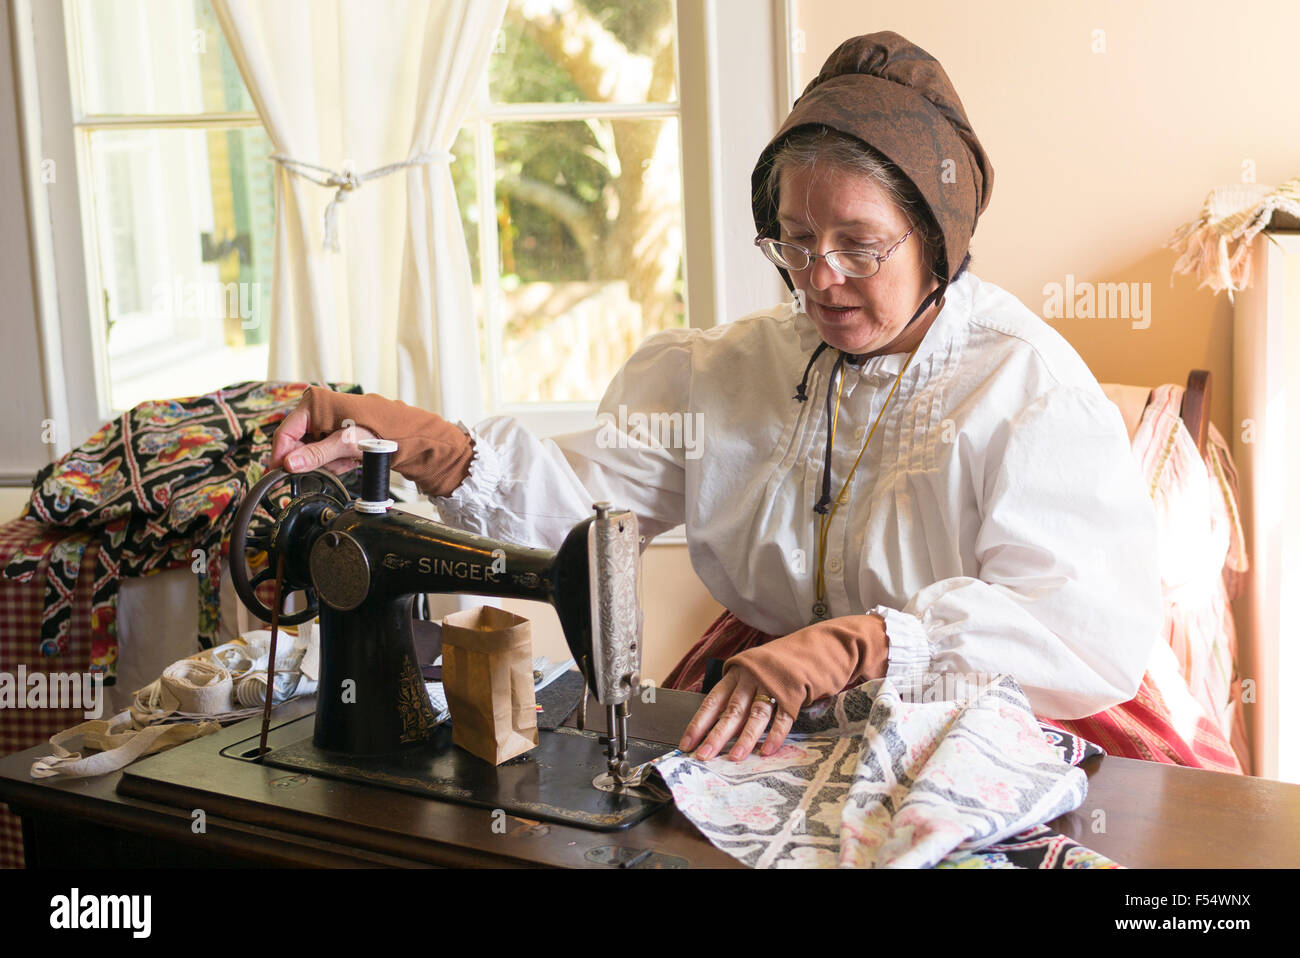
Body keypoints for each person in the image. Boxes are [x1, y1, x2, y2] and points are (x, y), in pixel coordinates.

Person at [270, 32, 1162, 766]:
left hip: (980, 716)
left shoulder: (1024, 388)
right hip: (763, 704)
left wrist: (862, 646)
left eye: (860, 245)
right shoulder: (725, 370)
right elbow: (586, 515)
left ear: (935, 237)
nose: (820, 279)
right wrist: (432, 445)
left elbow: (1083, 627)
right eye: (796, 240)